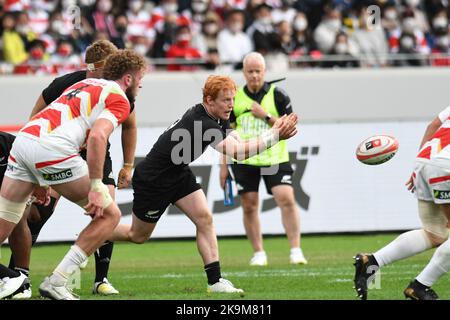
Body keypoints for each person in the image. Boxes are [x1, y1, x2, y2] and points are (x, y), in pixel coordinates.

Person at [109, 75, 298, 293]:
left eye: (232, 99)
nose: (231, 105)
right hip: (155, 179)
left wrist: (272, 131)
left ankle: (215, 281)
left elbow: (237, 142)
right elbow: (238, 153)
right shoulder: (203, 122)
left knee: (204, 219)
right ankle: (98, 233)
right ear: (209, 100)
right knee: (138, 235)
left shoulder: (217, 114)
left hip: (178, 172)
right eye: (226, 100)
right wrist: (275, 135)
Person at [0, 49, 146, 300]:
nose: (142, 84)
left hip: (23, 142)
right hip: (52, 149)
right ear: (129, 79)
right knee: (109, 215)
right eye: (141, 78)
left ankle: (12, 278)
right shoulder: (120, 98)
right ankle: (57, 281)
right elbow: (100, 136)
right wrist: (97, 185)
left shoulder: (84, 83)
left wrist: (39, 176)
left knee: (5, 220)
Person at [353, 106, 450, 300]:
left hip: (425, 159)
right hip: (445, 165)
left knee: (435, 233)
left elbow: (434, 124)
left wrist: (420, 164)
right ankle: (420, 287)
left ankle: (371, 261)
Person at [220, 52, 307, 267]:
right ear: (244, 72)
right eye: (250, 71)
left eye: (258, 71)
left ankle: (295, 249)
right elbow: (225, 133)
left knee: (286, 199)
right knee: (249, 206)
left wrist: (265, 116)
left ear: (264, 71)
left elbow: (291, 126)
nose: (254, 76)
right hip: (244, 158)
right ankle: (258, 252)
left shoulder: (279, 95)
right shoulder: (235, 97)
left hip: (274, 157)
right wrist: (223, 166)